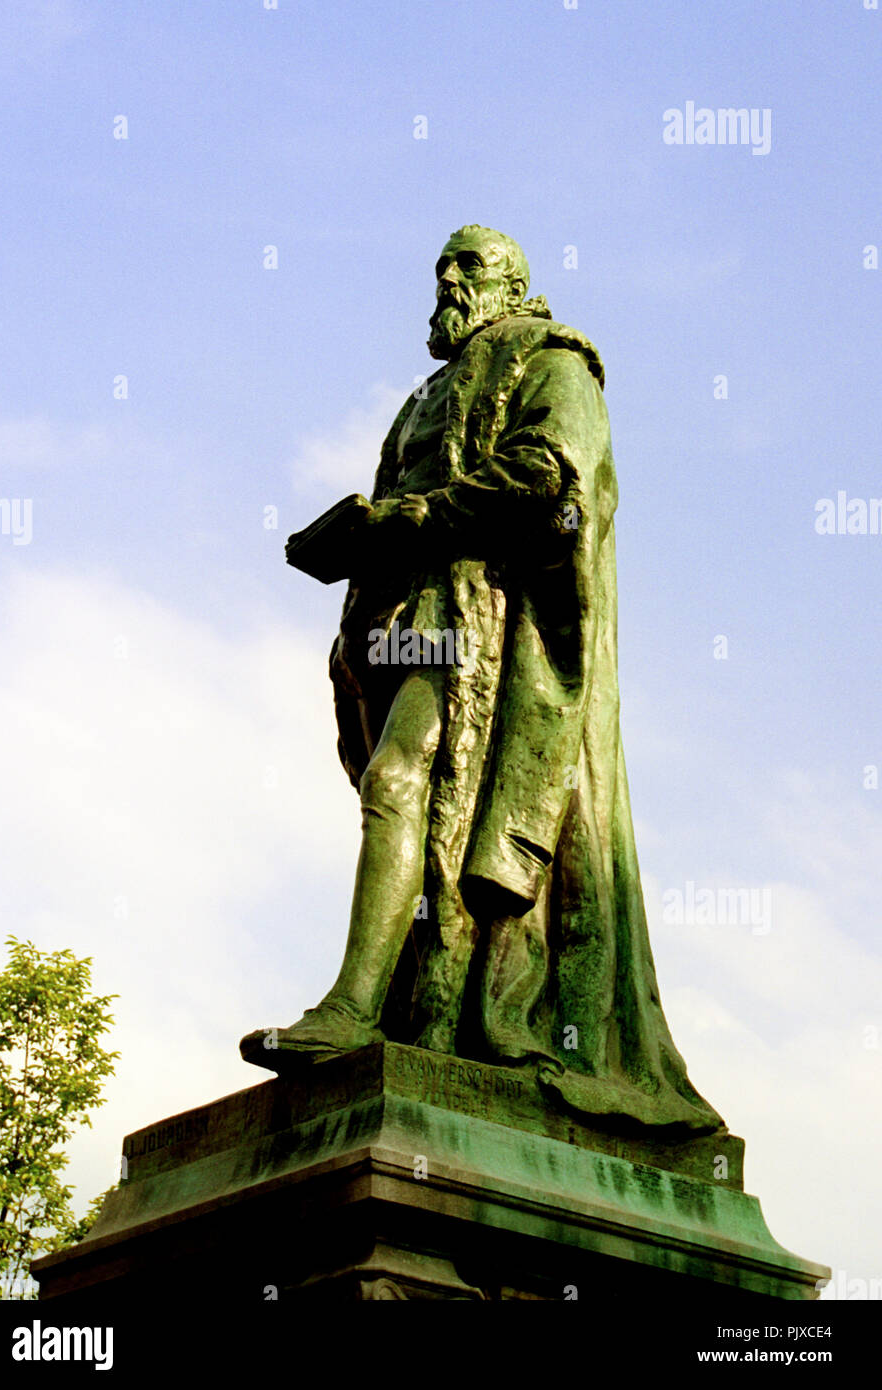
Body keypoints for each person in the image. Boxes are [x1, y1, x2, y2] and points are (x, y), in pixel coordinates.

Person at [253, 224, 723, 1136]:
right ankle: (409, 1011)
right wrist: (352, 543)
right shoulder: (423, 398)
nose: (447, 277)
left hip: (482, 623)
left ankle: (352, 1011)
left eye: (468, 264)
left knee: (401, 781)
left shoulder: (556, 361)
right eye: (442, 264)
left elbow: (551, 474)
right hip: (404, 620)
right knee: (413, 808)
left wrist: (404, 519)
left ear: (515, 283)